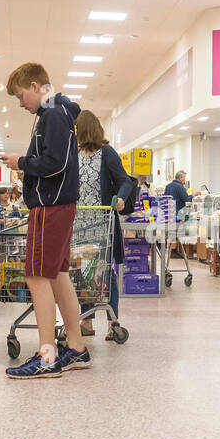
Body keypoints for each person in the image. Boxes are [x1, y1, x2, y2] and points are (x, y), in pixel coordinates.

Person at [0, 63, 89, 378]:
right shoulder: (58, 113)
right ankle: (76, 346)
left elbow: (55, 162)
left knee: (37, 277)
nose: (21, 103)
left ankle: (47, 355)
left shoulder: (52, 114)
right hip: (60, 205)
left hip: (50, 206)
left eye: (22, 95)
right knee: (56, 275)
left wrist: (21, 162)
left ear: (36, 86)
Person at [73, 110, 133, 336]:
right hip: (78, 224)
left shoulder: (107, 153)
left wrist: (120, 198)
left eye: (76, 129)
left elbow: (125, 181)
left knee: (106, 273)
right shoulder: (74, 154)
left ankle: (112, 322)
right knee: (83, 274)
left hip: (103, 224)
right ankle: (86, 322)